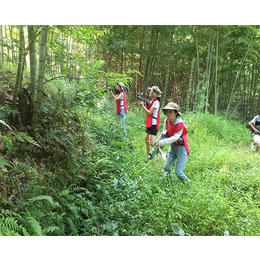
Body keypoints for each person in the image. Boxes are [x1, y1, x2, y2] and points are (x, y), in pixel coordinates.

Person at [156, 102, 190, 183]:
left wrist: (163, 142)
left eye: (170, 112)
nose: (168, 114)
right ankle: (169, 185)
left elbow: (175, 138)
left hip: (182, 148)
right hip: (173, 147)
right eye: (167, 112)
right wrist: (158, 141)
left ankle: (188, 185)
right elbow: (164, 132)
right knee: (166, 168)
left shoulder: (180, 124)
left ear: (176, 113)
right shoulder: (166, 121)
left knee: (178, 172)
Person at [140, 86, 166, 160]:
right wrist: (145, 105)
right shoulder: (152, 102)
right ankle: (148, 154)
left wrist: (142, 106)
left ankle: (162, 153)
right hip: (150, 123)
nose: (149, 92)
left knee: (152, 142)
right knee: (146, 140)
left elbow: (149, 112)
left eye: (151, 91)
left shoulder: (156, 103)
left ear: (153, 94)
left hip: (153, 124)